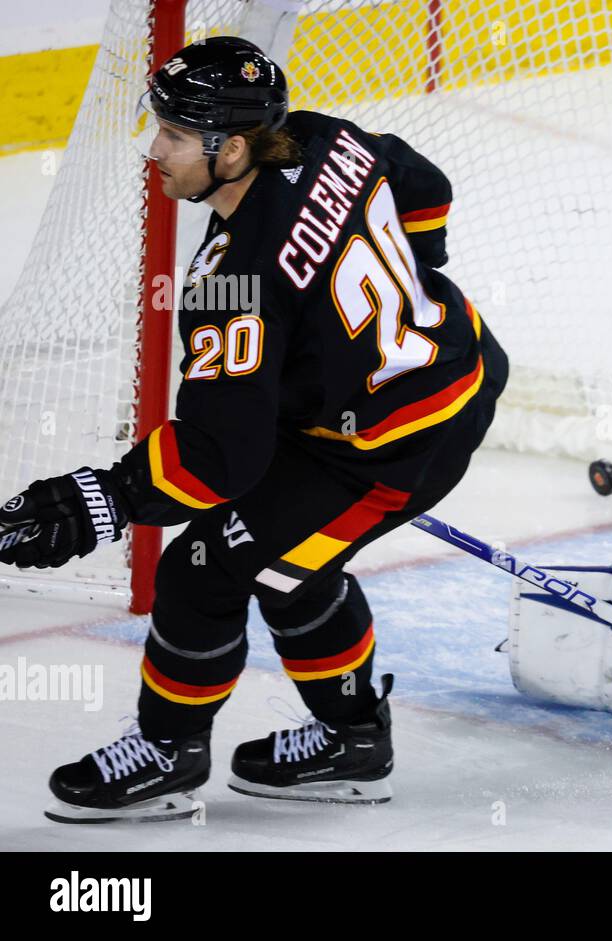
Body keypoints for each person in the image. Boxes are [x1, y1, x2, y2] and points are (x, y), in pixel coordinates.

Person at [0, 36, 508, 822]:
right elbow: (422, 184)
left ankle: (174, 753)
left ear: (232, 149)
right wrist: (405, 287)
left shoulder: (233, 275)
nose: (154, 151)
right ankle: (354, 739)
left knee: (206, 568)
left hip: (392, 446)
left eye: (173, 136)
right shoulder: (322, 137)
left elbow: (218, 458)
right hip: (457, 362)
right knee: (283, 562)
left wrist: (94, 501)